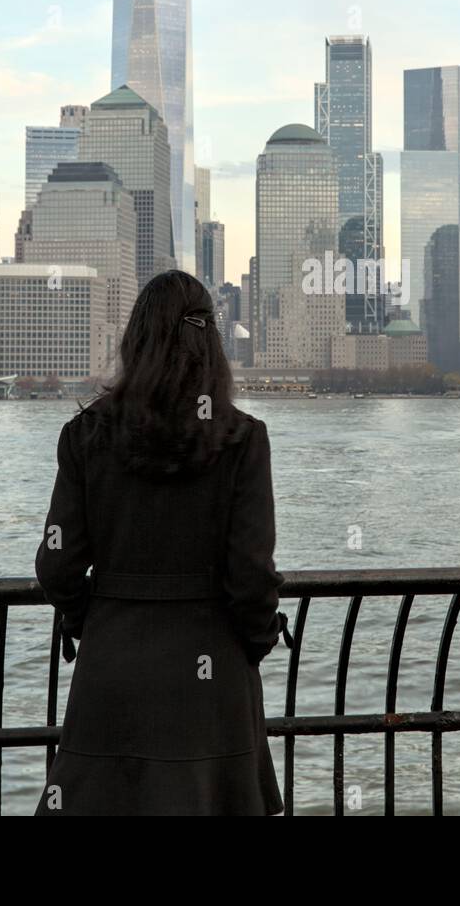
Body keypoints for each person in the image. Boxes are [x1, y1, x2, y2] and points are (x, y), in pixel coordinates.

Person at [33, 270, 290, 816]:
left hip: (113, 670)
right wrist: (259, 639)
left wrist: (92, 620)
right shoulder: (243, 440)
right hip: (213, 677)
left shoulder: (86, 435)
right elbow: (251, 575)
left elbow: (56, 567)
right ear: (210, 346)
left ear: (135, 342)